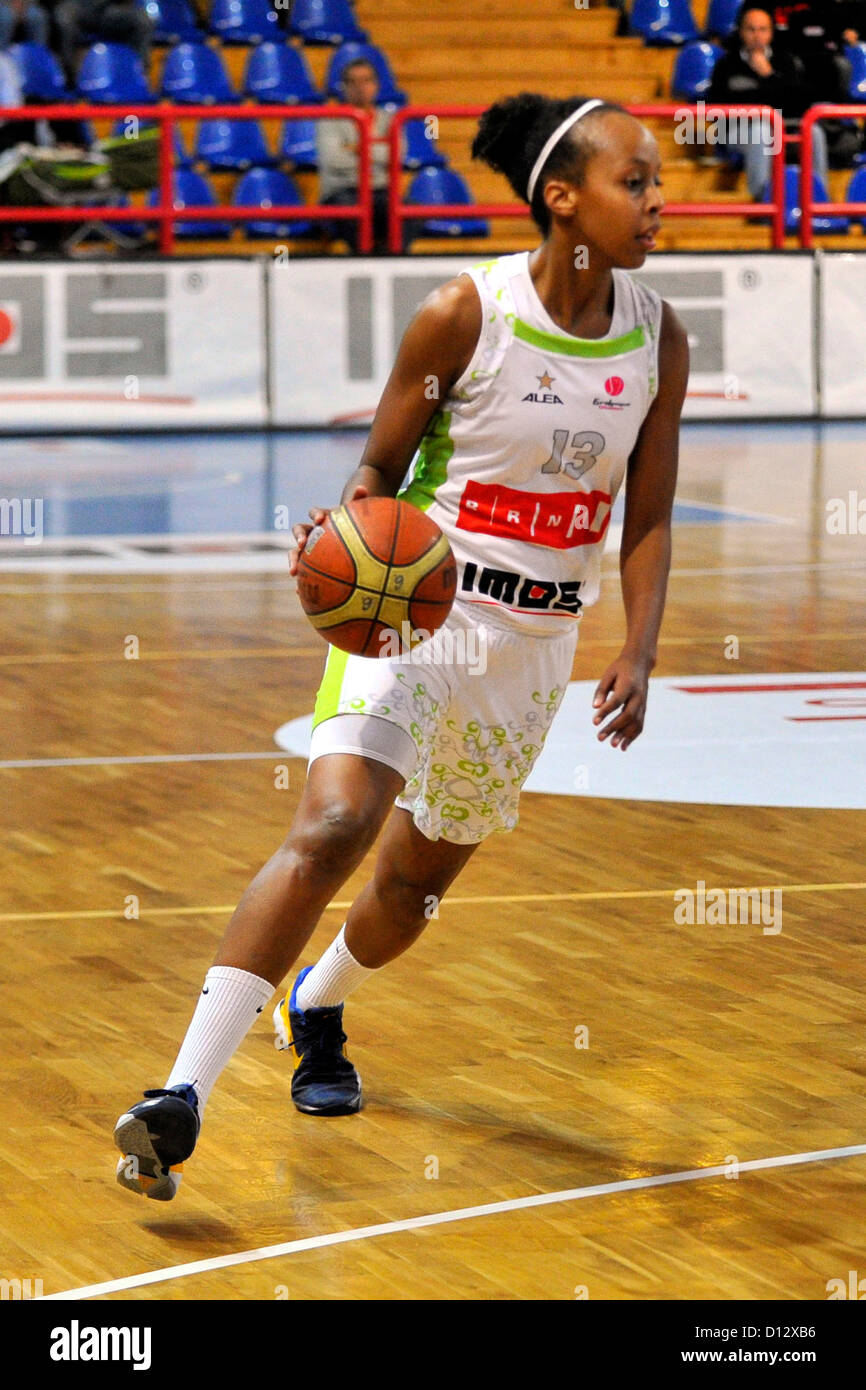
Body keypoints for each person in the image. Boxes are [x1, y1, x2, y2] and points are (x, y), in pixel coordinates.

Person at [112, 91, 689, 1202]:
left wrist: (639, 648)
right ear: (560, 198)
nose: (657, 202)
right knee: (333, 821)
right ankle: (177, 1094)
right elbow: (376, 471)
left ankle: (317, 1003)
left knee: (415, 886)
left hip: (535, 641)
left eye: (659, 181)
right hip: (419, 608)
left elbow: (649, 511)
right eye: (636, 181)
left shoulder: (656, 334)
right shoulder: (461, 316)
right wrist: (337, 540)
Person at [707, 4, 830, 196]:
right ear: (741, 32)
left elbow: (798, 103)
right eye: (751, 29)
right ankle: (762, 202)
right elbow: (715, 109)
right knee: (761, 129)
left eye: (763, 29)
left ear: (771, 33)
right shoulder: (726, 65)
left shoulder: (786, 62)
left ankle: (819, 198)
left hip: (784, 129)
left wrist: (768, 75)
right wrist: (770, 99)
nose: (757, 36)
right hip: (738, 131)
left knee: (813, 132)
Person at [316, 57, 401, 253]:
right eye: (353, 82)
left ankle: (393, 258)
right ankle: (365, 259)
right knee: (349, 208)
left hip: (380, 190)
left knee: (411, 210)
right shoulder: (330, 120)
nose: (360, 87)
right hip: (342, 190)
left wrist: (357, 148)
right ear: (344, 87)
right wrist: (377, 154)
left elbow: (396, 156)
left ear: (376, 85)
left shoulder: (392, 120)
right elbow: (334, 160)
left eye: (366, 80)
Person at [52, 0, 153, 86]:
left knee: (142, 21)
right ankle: (66, 78)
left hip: (108, 7)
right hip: (74, 5)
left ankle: (138, 76)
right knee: (64, 21)